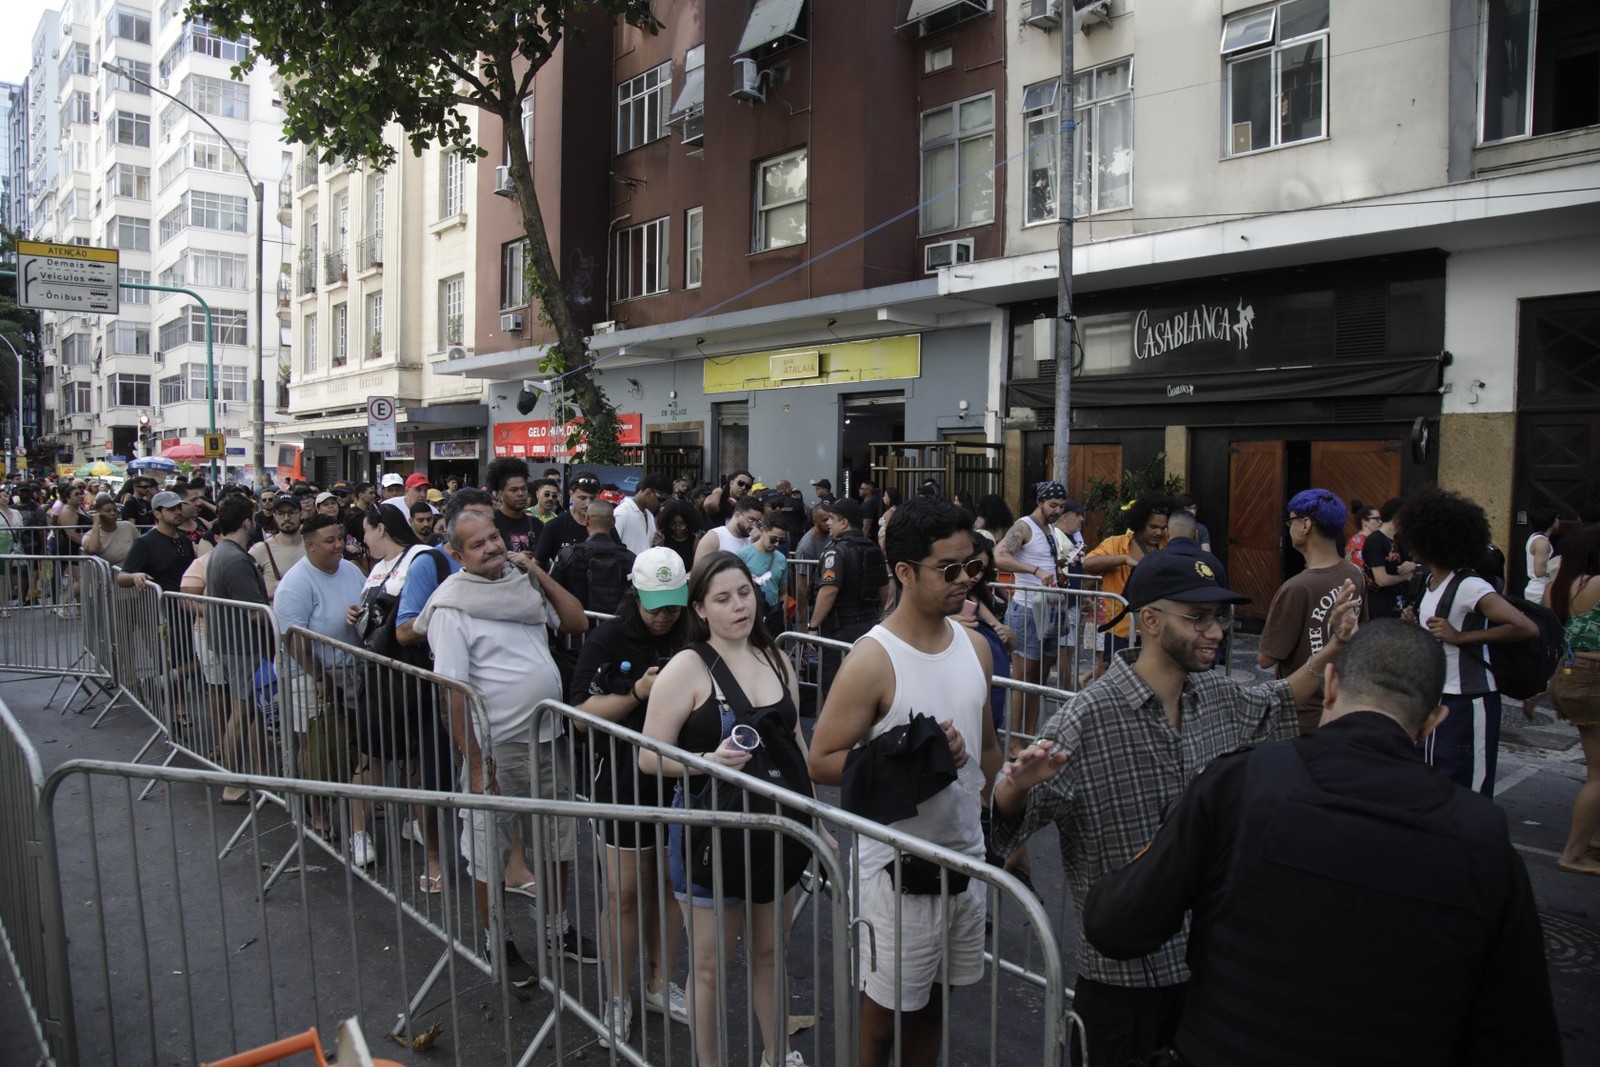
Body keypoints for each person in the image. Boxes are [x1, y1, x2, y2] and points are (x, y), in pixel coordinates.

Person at [1080, 619, 1561, 1067]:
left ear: (1330, 686)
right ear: (1431, 721)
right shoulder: (1483, 840)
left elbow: (1117, 924)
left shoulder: (1241, 784)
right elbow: (1519, 1033)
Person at [991, 548, 1360, 1067]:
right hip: (1123, 983)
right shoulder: (1084, 719)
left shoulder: (1216, 695)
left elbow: (1280, 698)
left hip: (1207, 969)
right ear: (1150, 621)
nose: (1216, 632)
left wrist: (1336, 649)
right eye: (1198, 618)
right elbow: (1006, 826)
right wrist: (1017, 784)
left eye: (1218, 618)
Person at [809, 499, 1003, 1067]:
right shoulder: (873, 658)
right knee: (882, 1021)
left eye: (972, 567)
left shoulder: (976, 647)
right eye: (949, 569)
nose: (965, 580)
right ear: (904, 572)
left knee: (935, 1006)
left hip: (964, 858)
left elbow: (988, 745)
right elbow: (821, 758)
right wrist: (909, 761)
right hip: (894, 873)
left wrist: (1009, 828)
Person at [638, 551, 815, 1067]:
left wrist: (816, 821)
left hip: (775, 831)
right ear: (699, 609)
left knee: (769, 954)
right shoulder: (686, 668)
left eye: (744, 593)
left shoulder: (778, 659)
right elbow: (650, 757)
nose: (739, 606)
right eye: (722, 598)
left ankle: (775, 1055)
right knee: (710, 966)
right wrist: (706, 762)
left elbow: (796, 744)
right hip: (707, 835)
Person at [414, 507, 595, 986]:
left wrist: (536, 570)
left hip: (548, 739)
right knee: (488, 852)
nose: (493, 547)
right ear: (457, 555)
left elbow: (576, 622)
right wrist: (475, 765)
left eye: (494, 537)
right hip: (498, 750)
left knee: (557, 844)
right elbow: (453, 691)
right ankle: (499, 940)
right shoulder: (451, 608)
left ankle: (555, 930)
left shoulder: (523, 584)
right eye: (478, 544)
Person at [571, 548, 694, 1042]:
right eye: (654, 605)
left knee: (670, 887)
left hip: (680, 781)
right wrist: (638, 695)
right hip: (620, 778)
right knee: (623, 893)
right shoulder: (608, 637)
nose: (664, 616)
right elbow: (579, 713)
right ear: (634, 596)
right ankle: (618, 995)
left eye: (673, 605)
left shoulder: (692, 633)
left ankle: (660, 982)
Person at [1398, 487, 1537, 796]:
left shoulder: (1470, 585)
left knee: (1468, 790)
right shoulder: (1429, 582)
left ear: (1433, 538)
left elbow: (1524, 626)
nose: (1409, 545)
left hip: (1468, 701)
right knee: (1434, 784)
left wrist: (1462, 637)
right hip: (1434, 697)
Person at [345, 501, 456, 877]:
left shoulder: (420, 559)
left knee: (414, 754)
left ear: (380, 528)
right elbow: (370, 621)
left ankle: (415, 819)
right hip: (379, 675)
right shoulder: (377, 568)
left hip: (413, 672)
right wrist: (355, 616)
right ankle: (359, 831)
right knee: (372, 753)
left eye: (365, 531)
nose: (363, 540)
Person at [271, 512, 366, 831]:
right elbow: (295, 641)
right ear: (310, 546)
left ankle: (356, 799)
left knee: (349, 741)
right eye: (331, 541)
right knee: (314, 746)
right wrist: (320, 677)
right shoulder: (295, 584)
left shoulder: (351, 570)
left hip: (350, 670)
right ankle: (318, 811)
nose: (340, 545)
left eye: (341, 538)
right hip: (308, 676)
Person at [1258, 489, 1369, 734]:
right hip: (1342, 704)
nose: (1289, 528)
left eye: (1291, 520)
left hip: (1301, 715)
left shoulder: (1296, 588)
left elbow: (1266, 658)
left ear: (1305, 524)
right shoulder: (1354, 574)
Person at [994, 482, 1073, 737]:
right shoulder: (1024, 526)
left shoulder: (1051, 529)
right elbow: (999, 555)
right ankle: (1016, 740)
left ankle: (1030, 736)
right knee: (1022, 680)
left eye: (1061, 506)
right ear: (1040, 502)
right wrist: (1035, 571)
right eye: (1053, 505)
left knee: (1039, 680)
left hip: (1049, 609)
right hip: (1026, 610)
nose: (1057, 510)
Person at [1547, 524, 1600, 876]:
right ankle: (1573, 853)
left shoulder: (1558, 586)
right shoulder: (1597, 584)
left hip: (1567, 673)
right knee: (1598, 775)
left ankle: (1593, 840)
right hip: (1592, 678)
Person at [807, 498, 890, 697]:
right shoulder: (873, 549)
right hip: (869, 626)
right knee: (864, 684)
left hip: (840, 629)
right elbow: (884, 589)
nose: (828, 523)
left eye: (832, 519)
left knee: (835, 684)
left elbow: (828, 590)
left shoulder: (836, 552)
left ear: (844, 523)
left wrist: (812, 627)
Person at [1083, 493, 1171, 673]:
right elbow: (1088, 563)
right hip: (1119, 630)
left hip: (1156, 630)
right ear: (1139, 523)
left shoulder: (1168, 546)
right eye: (1153, 527)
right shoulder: (1115, 544)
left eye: (1163, 528)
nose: (1158, 532)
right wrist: (1123, 559)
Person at [552, 498, 637, 615]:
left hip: (577, 628)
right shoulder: (630, 558)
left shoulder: (569, 555)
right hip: (617, 629)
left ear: (587, 520)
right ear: (613, 522)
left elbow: (552, 591)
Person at [534, 470, 603, 569]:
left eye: (592, 498)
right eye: (582, 498)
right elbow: (536, 563)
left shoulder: (604, 525)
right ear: (571, 494)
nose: (587, 504)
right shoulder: (555, 526)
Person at [1361, 497, 1416, 619]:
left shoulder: (1399, 539)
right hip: (1380, 609)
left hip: (1399, 606)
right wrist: (1405, 577)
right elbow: (1381, 579)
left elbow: (1417, 562)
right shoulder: (1374, 541)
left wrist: (1413, 566)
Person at [739, 512, 791, 635]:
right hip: (749, 619)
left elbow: (783, 593)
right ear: (762, 531)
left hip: (772, 619)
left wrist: (782, 622)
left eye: (781, 541)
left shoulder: (781, 559)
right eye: (773, 539)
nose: (777, 544)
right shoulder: (742, 555)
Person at [248, 494, 306, 602]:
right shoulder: (261, 550)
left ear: (301, 513)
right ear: (274, 516)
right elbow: (246, 590)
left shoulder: (313, 546)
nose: (286, 518)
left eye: (291, 512)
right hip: (274, 616)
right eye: (281, 513)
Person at [487, 457, 539, 564]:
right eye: (514, 490)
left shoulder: (537, 525)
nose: (521, 494)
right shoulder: (490, 524)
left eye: (523, 489)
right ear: (500, 494)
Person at [695, 493, 762, 564]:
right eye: (751, 519)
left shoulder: (752, 540)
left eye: (757, 521)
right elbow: (699, 571)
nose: (754, 525)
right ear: (737, 515)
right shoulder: (714, 537)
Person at [616, 473, 671, 556]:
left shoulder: (650, 516)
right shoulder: (621, 513)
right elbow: (612, 550)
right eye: (661, 500)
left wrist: (658, 546)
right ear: (648, 492)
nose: (661, 504)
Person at [82, 493, 139, 569]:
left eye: (115, 511)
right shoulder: (89, 536)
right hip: (109, 576)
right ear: (99, 514)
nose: (113, 513)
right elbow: (92, 550)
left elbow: (140, 545)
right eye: (108, 511)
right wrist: (95, 523)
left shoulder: (128, 526)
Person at [1525, 504, 1560, 604]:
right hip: (1540, 591)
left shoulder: (1534, 537)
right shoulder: (1542, 542)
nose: (1559, 521)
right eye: (1557, 518)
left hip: (1537, 589)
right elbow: (1539, 571)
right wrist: (1558, 564)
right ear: (1551, 520)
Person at [1345, 499, 1381, 565]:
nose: (1380, 522)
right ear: (1364, 522)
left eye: (1380, 519)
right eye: (1376, 519)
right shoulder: (1357, 543)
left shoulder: (1369, 540)